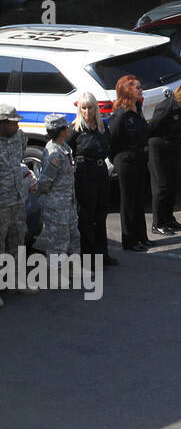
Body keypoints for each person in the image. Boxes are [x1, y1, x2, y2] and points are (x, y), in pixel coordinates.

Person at [70, 93, 116, 266]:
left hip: (101, 172)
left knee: (101, 214)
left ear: (96, 108)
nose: (87, 111)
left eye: (90, 107)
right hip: (84, 174)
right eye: (84, 108)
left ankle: (102, 255)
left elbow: (109, 145)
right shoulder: (75, 129)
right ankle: (87, 258)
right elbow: (64, 149)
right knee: (86, 216)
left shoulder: (102, 126)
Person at [108, 76, 151, 251]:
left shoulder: (138, 108)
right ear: (127, 91)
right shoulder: (120, 115)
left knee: (140, 198)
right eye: (137, 88)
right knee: (128, 200)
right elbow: (112, 141)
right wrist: (118, 160)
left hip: (140, 157)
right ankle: (130, 240)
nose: (141, 90)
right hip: (125, 159)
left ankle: (142, 236)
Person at [0, 104, 38, 305]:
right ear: (3, 123)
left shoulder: (19, 137)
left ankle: (18, 280)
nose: (18, 125)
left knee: (18, 242)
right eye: (13, 122)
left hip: (17, 200)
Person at [148, 81, 181, 235]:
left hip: (173, 147)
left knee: (172, 184)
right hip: (159, 148)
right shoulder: (166, 107)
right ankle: (158, 223)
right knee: (161, 186)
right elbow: (152, 127)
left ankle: (168, 219)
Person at [36, 113, 79, 266]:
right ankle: (56, 276)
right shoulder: (54, 153)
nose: (69, 129)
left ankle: (74, 269)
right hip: (56, 207)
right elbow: (44, 182)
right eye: (66, 127)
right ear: (61, 132)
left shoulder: (64, 148)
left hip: (68, 203)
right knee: (58, 244)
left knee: (74, 238)